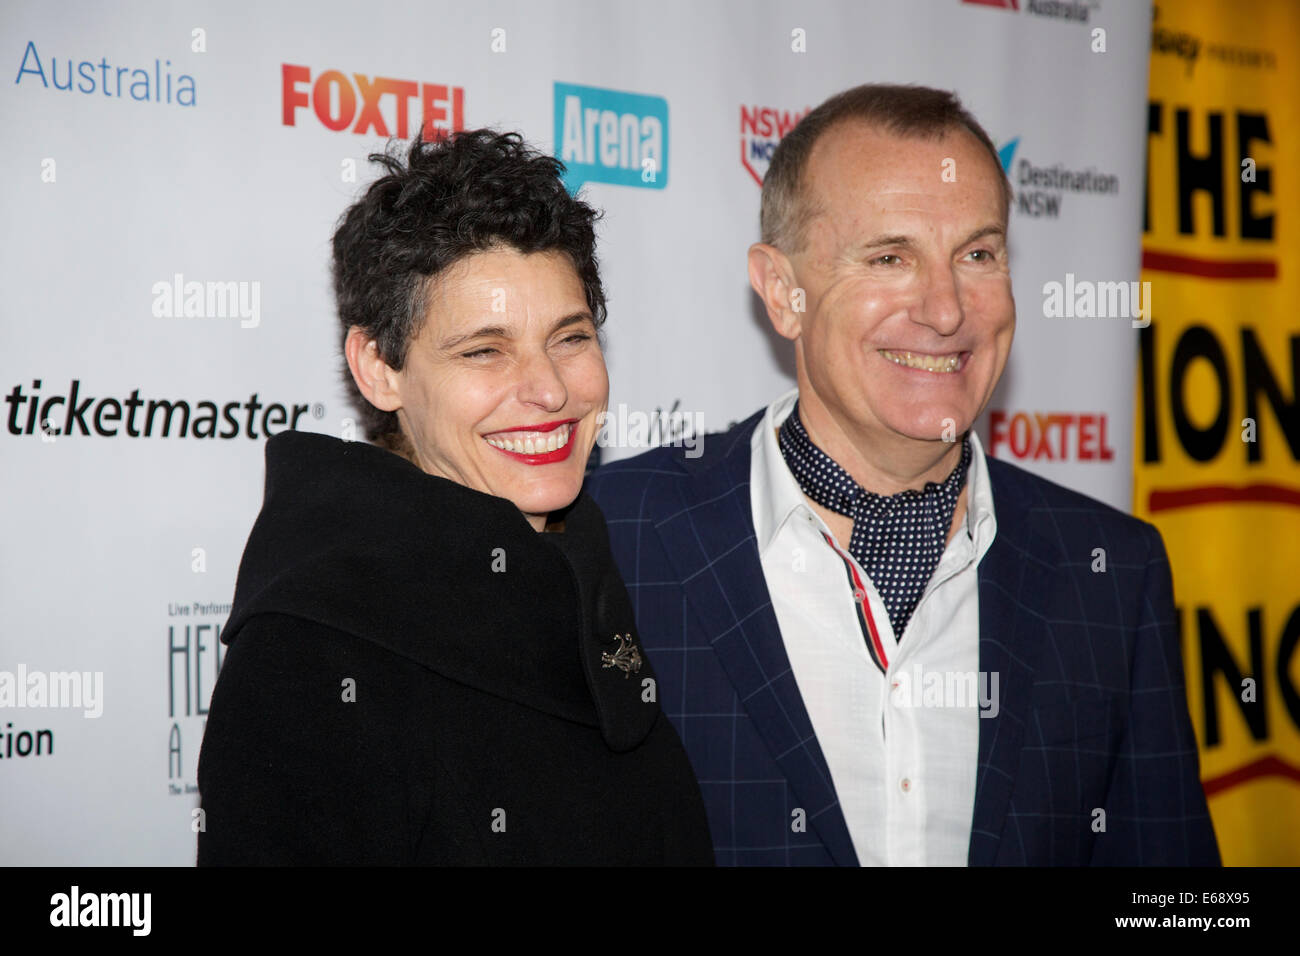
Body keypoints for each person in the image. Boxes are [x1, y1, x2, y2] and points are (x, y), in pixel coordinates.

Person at [585, 84, 1220, 866]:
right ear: (784, 292)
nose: (947, 309)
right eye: (890, 257)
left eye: (978, 254)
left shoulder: (1111, 570)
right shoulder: (613, 539)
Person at [196, 129, 713, 865]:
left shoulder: (590, 583)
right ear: (379, 369)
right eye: (484, 350)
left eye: (569, 338)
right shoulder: (313, 660)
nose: (551, 391)